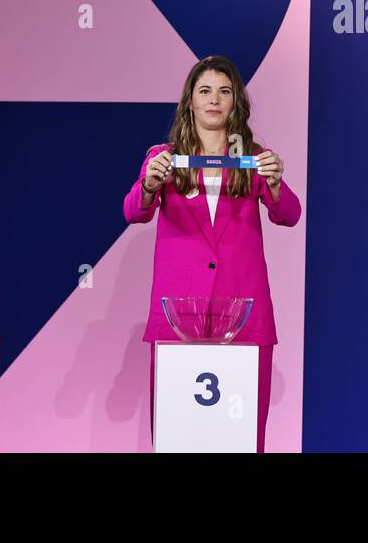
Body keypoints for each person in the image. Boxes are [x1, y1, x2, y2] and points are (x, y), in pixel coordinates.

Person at [122, 55, 302, 452]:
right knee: (177, 436)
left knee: (241, 439)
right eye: (205, 91)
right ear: (190, 101)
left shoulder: (255, 158)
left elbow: (289, 215)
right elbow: (135, 211)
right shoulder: (162, 157)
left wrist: (274, 183)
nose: (214, 100)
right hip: (178, 319)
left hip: (244, 317)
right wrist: (150, 185)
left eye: (224, 91)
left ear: (236, 102)